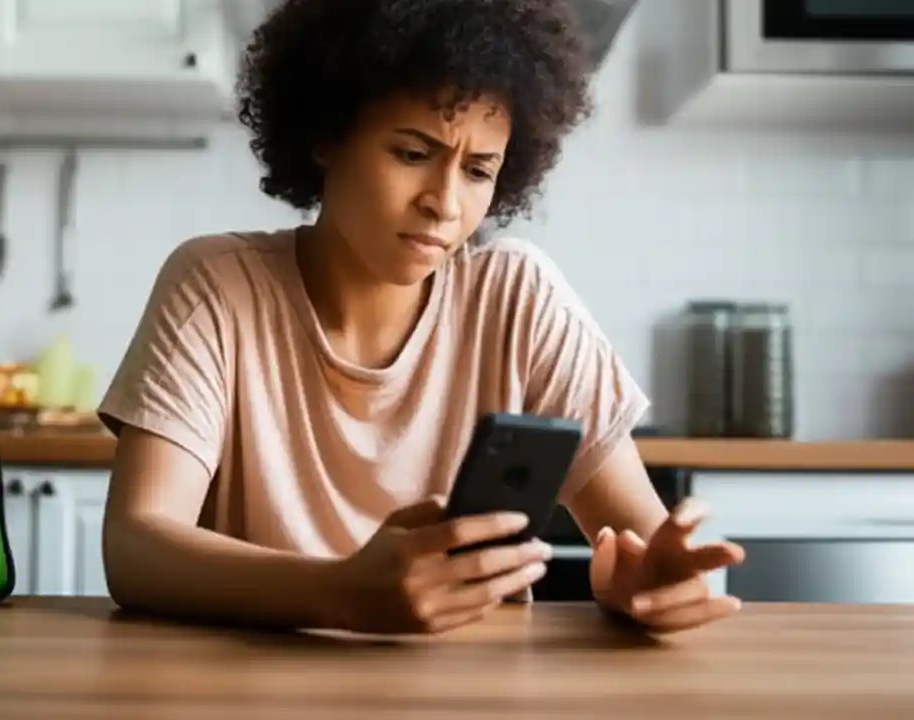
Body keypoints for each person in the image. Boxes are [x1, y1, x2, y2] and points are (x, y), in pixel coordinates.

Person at [96, 0, 745, 636]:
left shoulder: (519, 297)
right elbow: (136, 547)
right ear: (327, 134)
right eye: (412, 154)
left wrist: (651, 583)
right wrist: (341, 594)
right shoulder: (217, 286)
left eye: (479, 170)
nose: (445, 204)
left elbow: (644, 542)